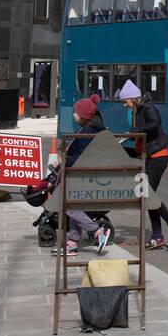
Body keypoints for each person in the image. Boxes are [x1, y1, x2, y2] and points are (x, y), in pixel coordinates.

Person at [119, 80, 168, 250]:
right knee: (147, 196)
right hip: (150, 155)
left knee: (147, 194)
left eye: (125, 101)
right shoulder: (138, 110)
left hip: (158, 155)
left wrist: (133, 132)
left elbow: (154, 123)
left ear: (133, 98)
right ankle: (157, 236)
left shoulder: (148, 108)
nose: (124, 105)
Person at [58, 95, 112, 257]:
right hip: (85, 176)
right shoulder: (90, 129)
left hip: (83, 176)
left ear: (83, 115)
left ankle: (97, 231)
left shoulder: (88, 132)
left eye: (75, 112)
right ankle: (72, 243)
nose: (73, 114)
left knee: (69, 206)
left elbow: (83, 157)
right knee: (76, 207)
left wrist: (65, 161)